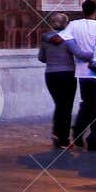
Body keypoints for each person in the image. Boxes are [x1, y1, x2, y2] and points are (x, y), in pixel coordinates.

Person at [54, 0, 96, 151]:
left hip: (82, 72)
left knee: (88, 104)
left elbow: (58, 38)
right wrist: (95, 52)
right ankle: (88, 137)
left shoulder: (74, 25)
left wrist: (77, 49)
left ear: (83, 10)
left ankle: (85, 136)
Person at [37, 11, 78, 149]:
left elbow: (41, 58)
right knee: (66, 107)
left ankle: (56, 134)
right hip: (67, 74)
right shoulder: (68, 39)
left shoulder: (45, 39)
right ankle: (64, 140)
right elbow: (78, 53)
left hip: (50, 75)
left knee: (60, 105)